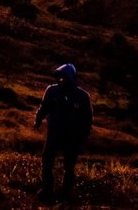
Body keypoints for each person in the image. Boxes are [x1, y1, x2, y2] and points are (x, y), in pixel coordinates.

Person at [34, 63, 93, 202]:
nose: (62, 80)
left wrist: (84, 135)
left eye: (65, 77)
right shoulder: (52, 91)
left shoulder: (83, 96)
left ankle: (66, 194)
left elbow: (87, 118)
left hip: (72, 137)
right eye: (60, 77)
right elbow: (44, 107)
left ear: (72, 78)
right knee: (47, 161)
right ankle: (48, 189)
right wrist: (38, 119)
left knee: (69, 166)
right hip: (54, 133)